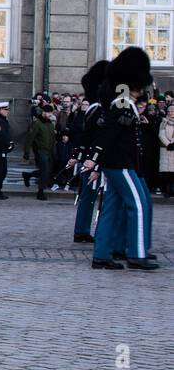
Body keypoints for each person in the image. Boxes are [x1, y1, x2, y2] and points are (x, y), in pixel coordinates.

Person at [89, 46, 158, 271]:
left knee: (111, 209)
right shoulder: (121, 104)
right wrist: (95, 160)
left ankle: (101, 255)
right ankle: (136, 253)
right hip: (120, 165)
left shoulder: (125, 104)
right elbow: (108, 134)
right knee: (138, 204)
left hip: (121, 164)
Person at [70, 61, 109, 239]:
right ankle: (82, 231)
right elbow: (93, 139)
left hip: (90, 157)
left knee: (89, 196)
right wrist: (95, 165)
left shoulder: (94, 109)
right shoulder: (99, 110)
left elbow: (84, 138)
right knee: (90, 197)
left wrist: (77, 156)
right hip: (94, 159)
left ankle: (82, 230)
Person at [22, 105, 55, 200]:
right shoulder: (37, 123)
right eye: (48, 112)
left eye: (51, 113)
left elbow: (53, 139)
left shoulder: (50, 124)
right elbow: (29, 138)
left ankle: (28, 175)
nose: (49, 114)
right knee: (45, 170)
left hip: (49, 152)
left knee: (47, 171)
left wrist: (54, 152)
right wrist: (26, 152)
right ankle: (40, 192)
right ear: (43, 112)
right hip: (40, 151)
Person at [159, 104, 174, 199]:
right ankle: (167, 190)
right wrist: (168, 144)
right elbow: (161, 133)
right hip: (165, 148)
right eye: (169, 111)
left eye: (172, 111)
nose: (170, 113)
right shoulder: (164, 122)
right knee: (166, 171)